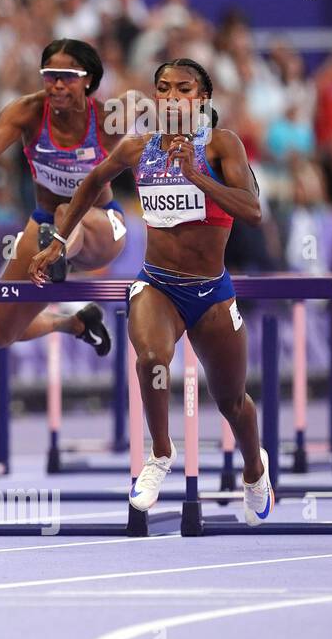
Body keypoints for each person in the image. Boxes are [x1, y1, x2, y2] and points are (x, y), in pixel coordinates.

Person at [30, 58, 273, 526]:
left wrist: (199, 178)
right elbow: (91, 183)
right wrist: (60, 239)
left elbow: (253, 211)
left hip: (211, 292)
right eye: (163, 88)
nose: (171, 96)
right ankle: (160, 453)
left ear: (202, 98)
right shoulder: (139, 146)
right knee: (150, 359)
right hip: (157, 283)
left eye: (183, 88)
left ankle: (254, 467)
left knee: (232, 402)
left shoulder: (222, 144)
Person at [0, 39, 127, 356]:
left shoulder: (108, 119)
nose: (58, 85)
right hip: (44, 226)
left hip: (102, 224)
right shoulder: (27, 111)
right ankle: (75, 323)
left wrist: (139, 102)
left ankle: (60, 250)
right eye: (50, 75)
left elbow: (153, 121)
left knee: (68, 210)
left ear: (88, 79)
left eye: (68, 76)